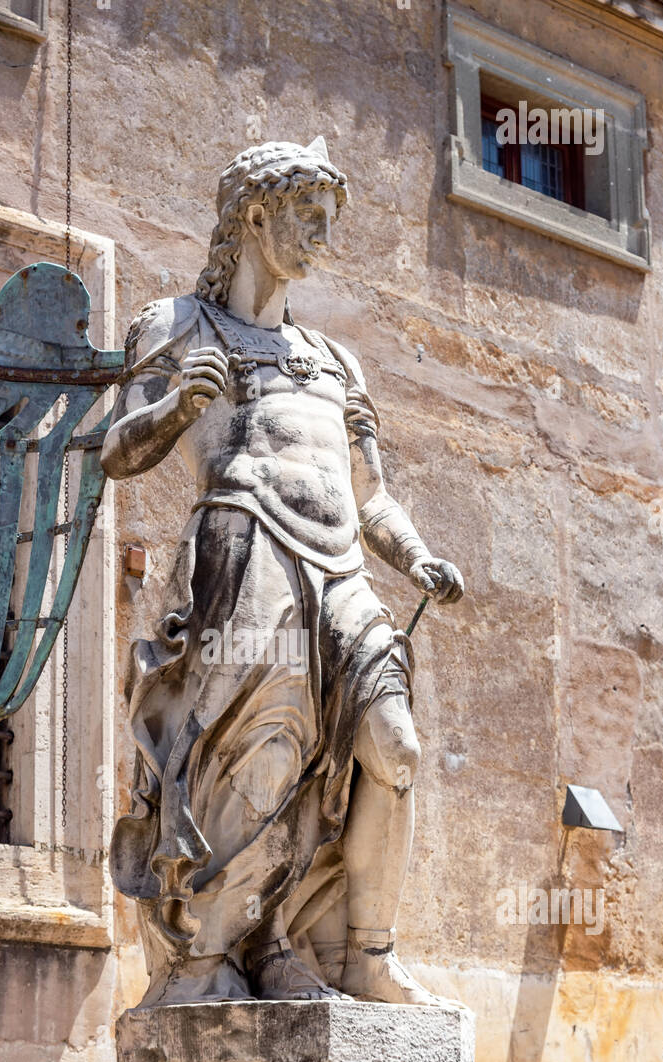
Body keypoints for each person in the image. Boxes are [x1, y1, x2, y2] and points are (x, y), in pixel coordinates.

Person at [102, 138, 465, 1008]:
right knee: (260, 764)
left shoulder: (335, 362)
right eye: (307, 216)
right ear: (254, 216)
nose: (320, 238)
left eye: (327, 221)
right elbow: (115, 452)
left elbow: (374, 497)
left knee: (394, 746)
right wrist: (175, 403)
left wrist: (415, 557)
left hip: (342, 572)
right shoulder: (174, 325)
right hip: (242, 555)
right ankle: (216, 957)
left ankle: (365, 957)